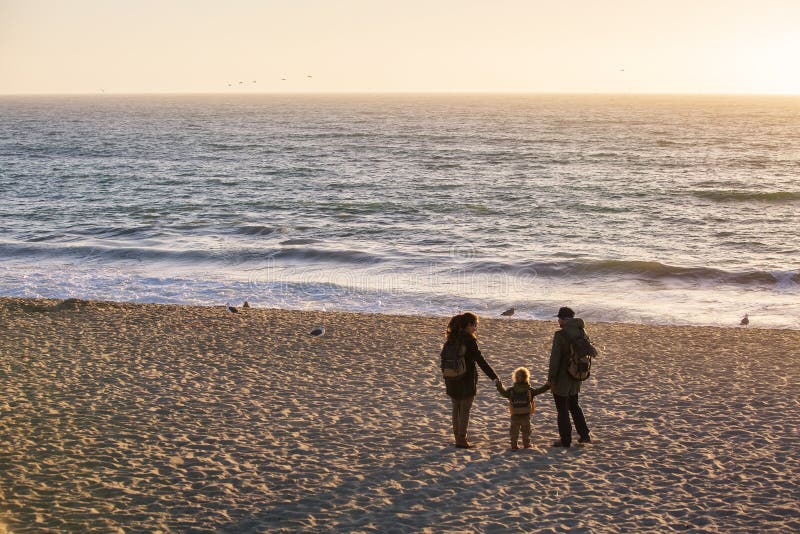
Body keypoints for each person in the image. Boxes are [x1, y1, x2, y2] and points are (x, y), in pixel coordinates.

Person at [440, 312, 499, 449]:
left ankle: (457, 437)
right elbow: (480, 360)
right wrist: (493, 376)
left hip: (451, 378)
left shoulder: (452, 338)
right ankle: (461, 439)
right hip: (466, 379)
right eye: (474, 325)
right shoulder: (469, 340)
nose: (475, 328)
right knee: (465, 409)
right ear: (468, 325)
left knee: (456, 408)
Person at [548, 306, 592, 447]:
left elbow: (555, 359)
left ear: (564, 320)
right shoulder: (583, 332)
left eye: (559, 318)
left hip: (562, 376)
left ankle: (565, 439)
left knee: (562, 409)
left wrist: (551, 378)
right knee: (574, 405)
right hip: (577, 374)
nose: (558, 321)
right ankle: (584, 435)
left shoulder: (560, 335)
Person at [495, 366, 549, 450]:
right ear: (526, 378)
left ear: (515, 378)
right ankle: (526, 444)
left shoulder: (512, 390)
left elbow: (504, 393)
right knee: (526, 430)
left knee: (514, 430)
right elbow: (539, 391)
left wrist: (499, 385)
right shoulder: (529, 389)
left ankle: (514, 445)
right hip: (525, 413)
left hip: (515, 413)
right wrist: (547, 386)